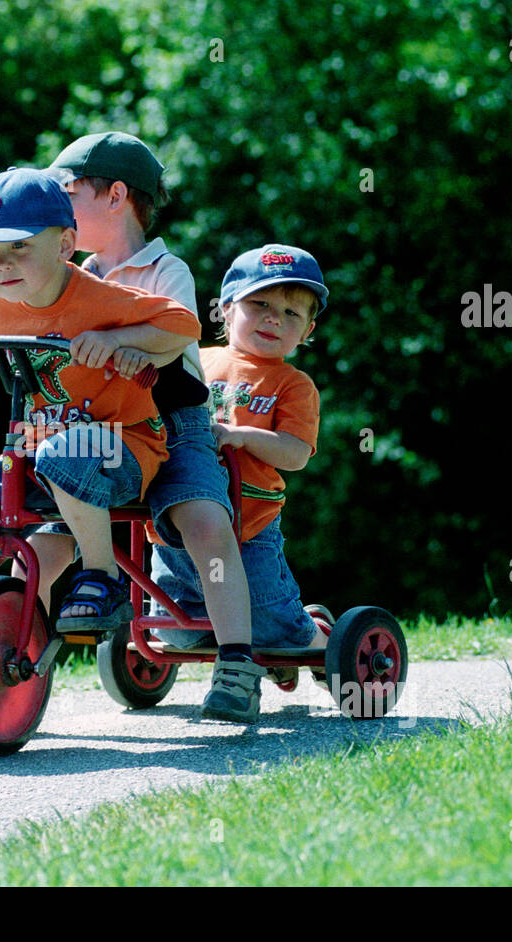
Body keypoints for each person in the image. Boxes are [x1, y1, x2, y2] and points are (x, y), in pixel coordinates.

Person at [0, 166, 200, 709]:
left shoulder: (101, 298)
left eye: (19, 247)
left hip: (122, 446)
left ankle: (102, 578)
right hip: (37, 451)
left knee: (60, 453)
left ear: (66, 245)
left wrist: (116, 340)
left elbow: (184, 326)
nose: (1, 265)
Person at [32, 131, 257, 710]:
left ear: (115, 196)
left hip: (173, 425)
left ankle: (237, 662)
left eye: (67, 192)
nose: (56, 207)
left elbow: (174, 330)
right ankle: (3, 665)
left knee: (205, 522)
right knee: (42, 541)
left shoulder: (164, 269)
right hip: (99, 427)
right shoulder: (67, 274)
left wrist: (128, 346)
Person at [149, 244, 330, 723]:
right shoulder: (194, 361)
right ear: (226, 309)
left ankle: (315, 636)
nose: (273, 319)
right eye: (260, 304)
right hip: (180, 520)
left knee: (272, 624)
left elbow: (295, 454)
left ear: (307, 331)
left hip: (250, 526)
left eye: (291, 313)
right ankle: (246, 642)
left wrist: (241, 436)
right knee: (176, 629)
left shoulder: (292, 384)